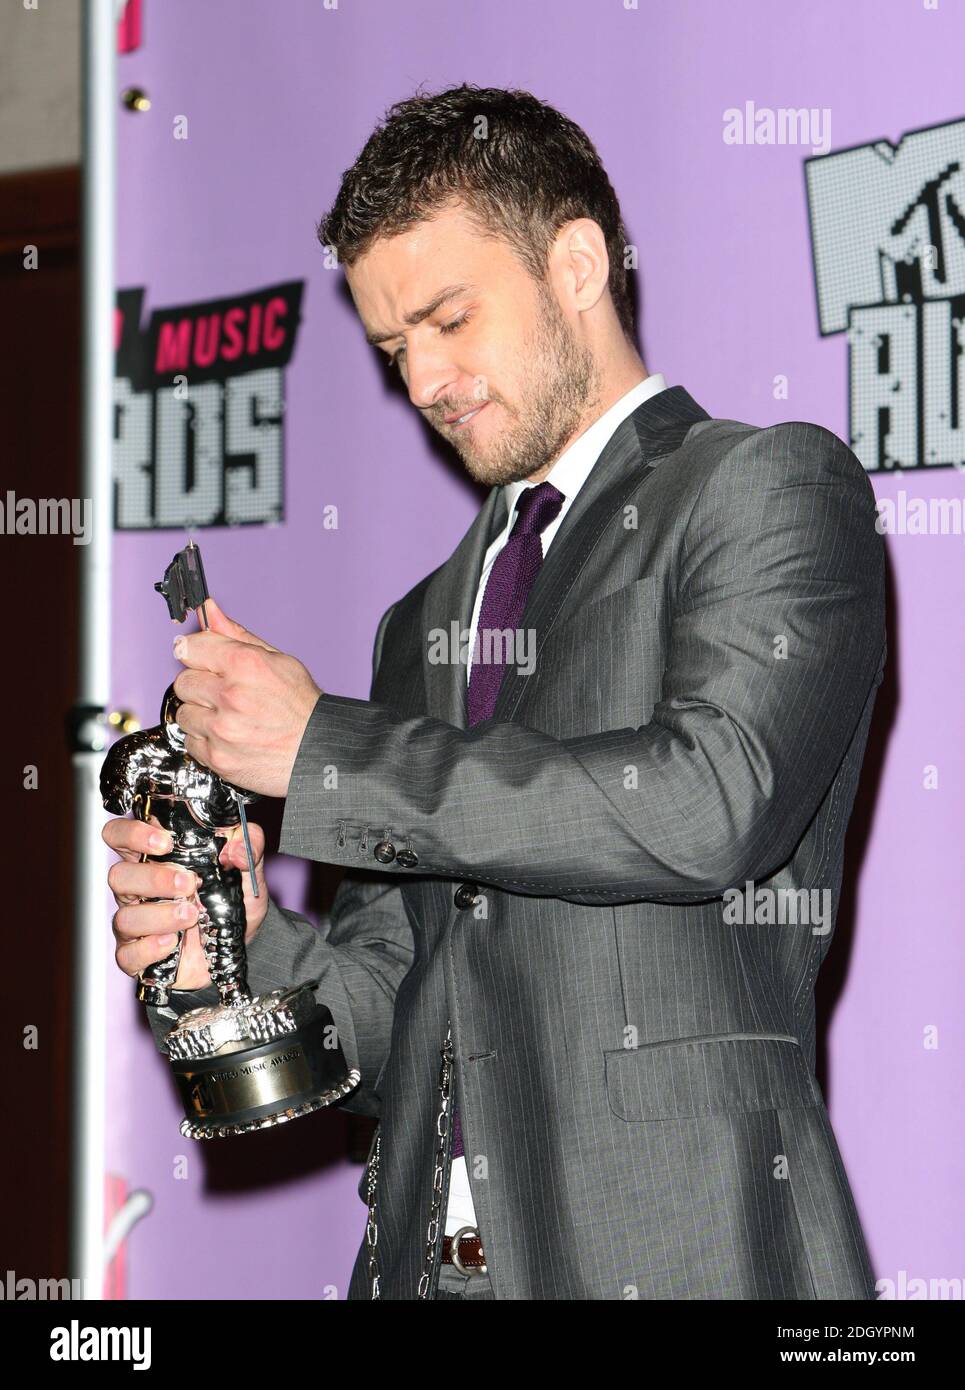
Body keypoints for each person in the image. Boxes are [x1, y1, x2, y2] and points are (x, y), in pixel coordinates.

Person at [104, 84, 886, 1301]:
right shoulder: (417, 620)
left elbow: (706, 805)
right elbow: (383, 1016)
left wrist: (327, 753)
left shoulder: (765, 486)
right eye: (390, 348)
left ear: (575, 262)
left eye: (448, 318)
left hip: (681, 1251)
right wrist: (246, 936)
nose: (422, 378)